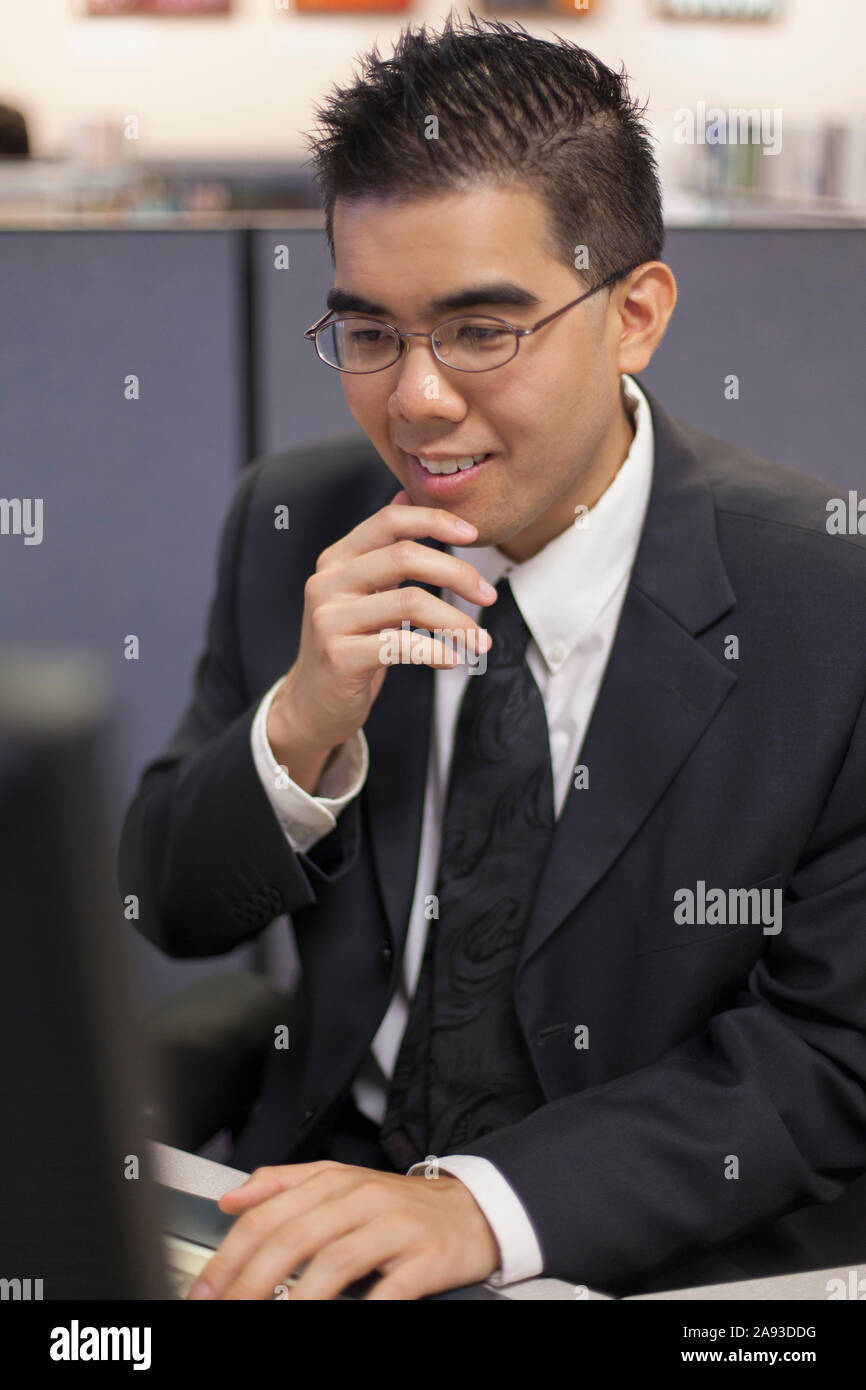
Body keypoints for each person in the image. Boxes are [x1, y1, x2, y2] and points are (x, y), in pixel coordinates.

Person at [119, 11, 866, 1300]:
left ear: (634, 314)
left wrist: (483, 1209)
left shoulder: (827, 597)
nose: (415, 399)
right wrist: (300, 730)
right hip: (316, 1208)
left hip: (660, 1253)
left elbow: (832, 1048)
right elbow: (172, 908)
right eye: (370, 332)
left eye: (481, 329)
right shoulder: (298, 523)